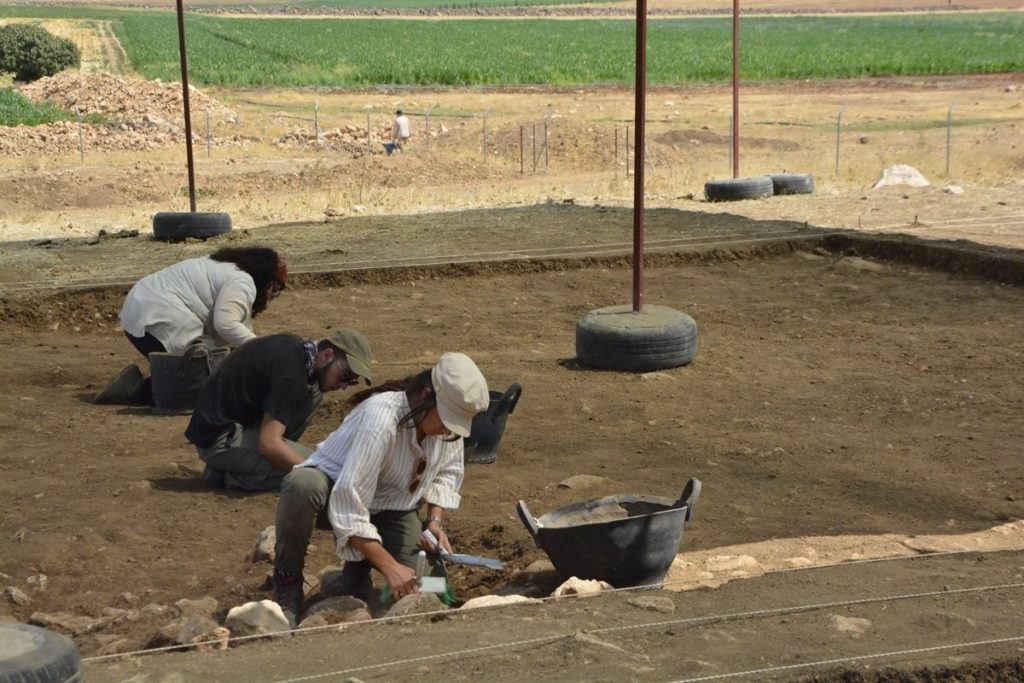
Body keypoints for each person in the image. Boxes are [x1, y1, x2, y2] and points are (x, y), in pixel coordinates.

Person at [271, 352, 489, 626]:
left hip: (391, 508)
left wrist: (434, 522)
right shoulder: (382, 417)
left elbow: (449, 471)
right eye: (445, 419)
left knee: (435, 589)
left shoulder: (447, 429)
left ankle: (357, 566)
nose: (448, 431)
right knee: (302, 486)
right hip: (334, 495)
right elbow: (350, 501)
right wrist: (389, 567)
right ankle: (287, 581)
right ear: (425, 395)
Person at [184, 328, 373, 492]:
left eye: (351, 381)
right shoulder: (292, 377)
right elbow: (268, 444)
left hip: (233, 424)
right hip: (218, 440)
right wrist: (314, 473)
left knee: (314, 394)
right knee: (318, 474)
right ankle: (225, 475)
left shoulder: (298, 350)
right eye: (345, 376)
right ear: (326, 355)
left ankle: (243, 464)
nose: (344, 386)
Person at [95, 246, 288, 405]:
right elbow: (226, 325)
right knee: (206, 391)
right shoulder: (243, 282)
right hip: (158, 318)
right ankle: (134, 389)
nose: (272, 297)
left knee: (211, 371)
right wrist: (262, 349)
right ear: (268, 280)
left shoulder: (225, 267)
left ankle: (145, 384)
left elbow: (232, 330)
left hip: (141, 313)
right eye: (275, 290)